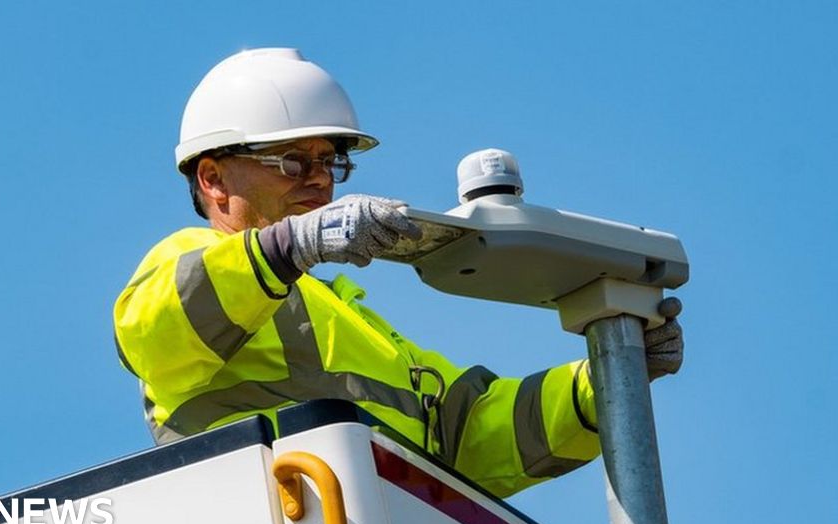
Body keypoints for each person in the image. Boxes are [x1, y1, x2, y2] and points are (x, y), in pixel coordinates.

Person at [113, 48, 683, 498]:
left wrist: (608, 377)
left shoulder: (345, 318)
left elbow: (470, 435)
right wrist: (292, 245)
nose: (320, 181)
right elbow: (151, 333)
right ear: (212, 179)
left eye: (329, 161)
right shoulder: (190, 259)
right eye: (292, 162)